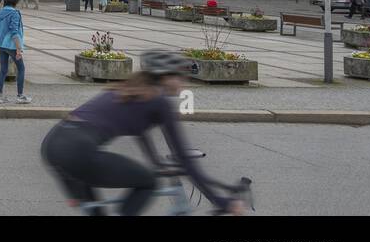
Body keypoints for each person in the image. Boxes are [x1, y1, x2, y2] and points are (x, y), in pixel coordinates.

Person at [40, 51, 250, 216]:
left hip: (53, 146)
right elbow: (186, 161)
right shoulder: (159, 101)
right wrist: (222, 202)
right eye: (180, 76)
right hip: (79, 152)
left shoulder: (131, 91)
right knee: (148, 182)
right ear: (165, 77)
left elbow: (144, 141)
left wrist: (161, 166)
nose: (184, 82)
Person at [0, 0, 31, 104]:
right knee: (21, 69)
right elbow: (14, 31)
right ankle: (20, 95)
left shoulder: (0, 12)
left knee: (3, 69)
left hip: (1, 44)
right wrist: (18, 49)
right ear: (15, 3)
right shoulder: (14, 13)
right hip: (11, 45)